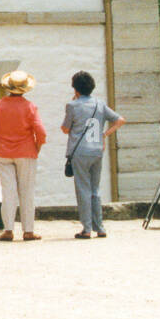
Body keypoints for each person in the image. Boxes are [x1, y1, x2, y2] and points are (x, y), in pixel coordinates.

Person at [0, 71, 46, 241]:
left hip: (2, 152)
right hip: (26, 152)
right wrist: (37, 147)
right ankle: (28, 230)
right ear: (25, 89)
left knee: (7, 192)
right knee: (27, 192)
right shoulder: (30, 107)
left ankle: (8, 230)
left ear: (8, 87)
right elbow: (41, 132)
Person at [60, 71, 125, 239]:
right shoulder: (100, 104)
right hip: (97, 150)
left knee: (83, 189)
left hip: (80, 152)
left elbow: (65, 129)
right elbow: (120, 120)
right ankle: (100, 227)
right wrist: (104, 135)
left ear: (76, 89)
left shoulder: (72, 106)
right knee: (95, 189)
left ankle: (86, 228)